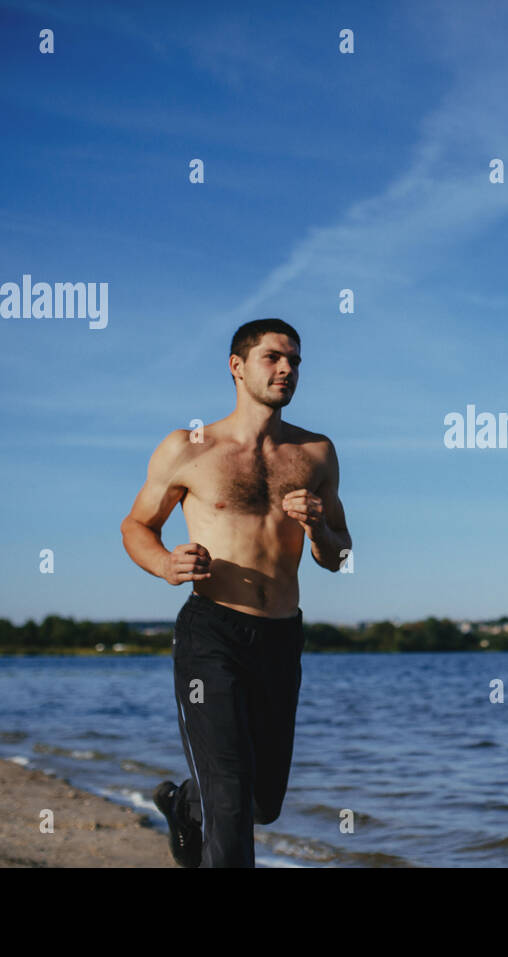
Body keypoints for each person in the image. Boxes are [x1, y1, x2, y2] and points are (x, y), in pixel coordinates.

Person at [120, 318, 351, 867]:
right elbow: (136, 525)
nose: (287, 369)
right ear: (237, 366)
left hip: (279, 638)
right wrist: (166, 563)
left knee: (259, 801)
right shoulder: (188, 447)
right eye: (274, 357)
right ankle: (202, 807)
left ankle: (183, 806)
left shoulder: (316, 453)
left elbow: (340, 556)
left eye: (295, 360)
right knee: (230, 800)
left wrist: (319, 527)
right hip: (212, 633)